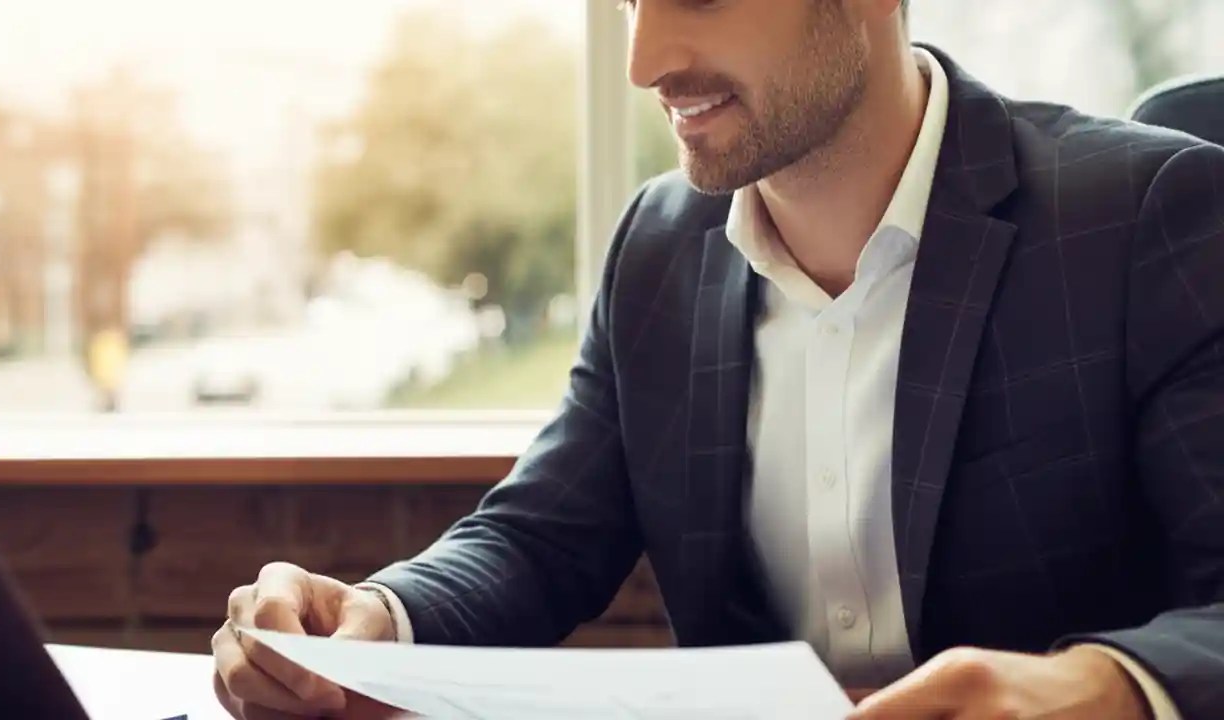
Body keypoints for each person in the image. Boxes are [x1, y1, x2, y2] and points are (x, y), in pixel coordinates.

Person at [213, 1, 1224, 718]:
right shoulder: (656, 247)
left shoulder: (1145, 217)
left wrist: (1108, 688)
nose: (643, 58)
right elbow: (539, 538)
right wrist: (376, 621)